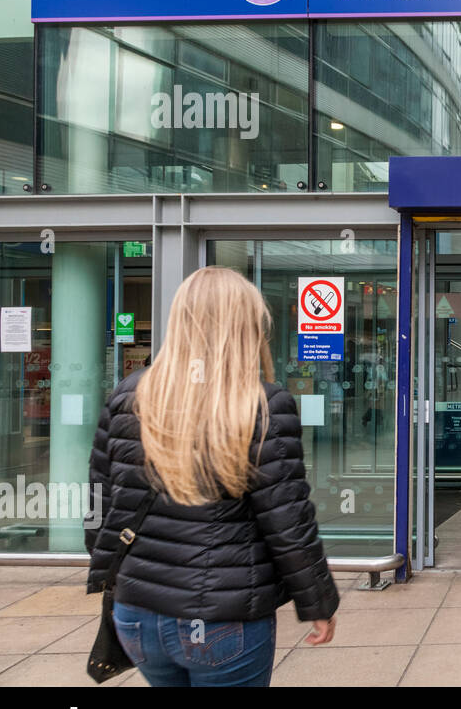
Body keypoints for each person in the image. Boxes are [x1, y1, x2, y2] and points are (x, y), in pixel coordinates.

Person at [85, 267, 338, 687]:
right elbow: (288, 522)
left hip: (137, 614)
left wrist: (113, 572)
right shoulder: (263, 404)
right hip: (225, 620)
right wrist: (318, 603)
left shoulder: (130, 393)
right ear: (247, 325)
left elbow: (100, 502)